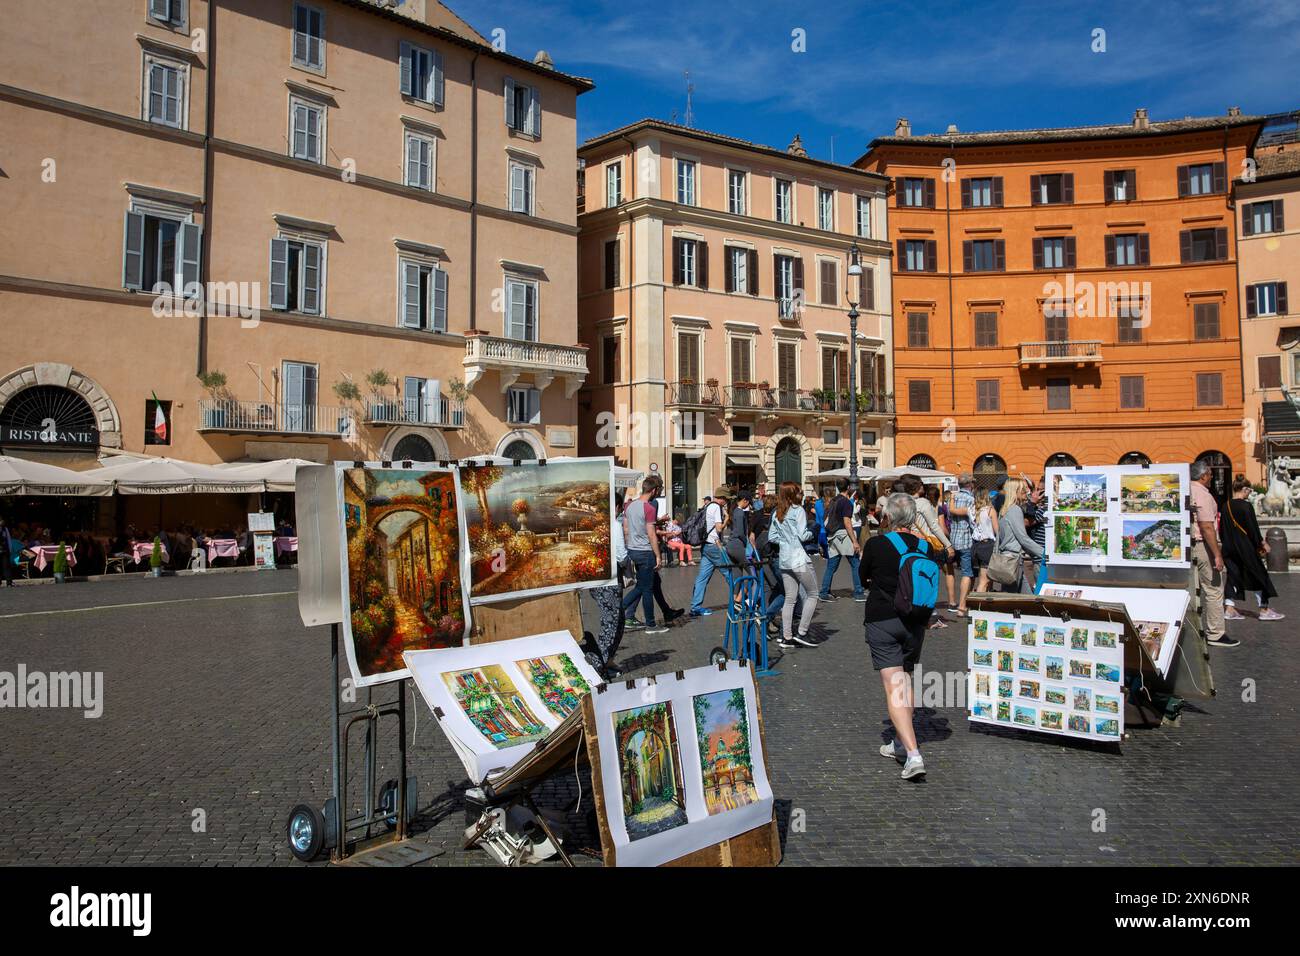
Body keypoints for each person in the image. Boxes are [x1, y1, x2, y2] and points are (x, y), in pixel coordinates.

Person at [859, 493, 932, 780]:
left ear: (887, 516)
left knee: (894, 685)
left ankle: (913, 755)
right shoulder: (925, 546)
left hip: (883, 619)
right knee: (905, 680)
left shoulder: (877, 544)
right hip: (915, 621)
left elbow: (862, 576)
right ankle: (900, 743)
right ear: (913, 517)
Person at [768, 481, 820, 648]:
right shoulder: (798, 511)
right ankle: (802, 632)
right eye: (799, 492)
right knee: (813, 594)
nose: (802, 494)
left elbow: (772, 537)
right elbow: (803, 536)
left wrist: (785, 540)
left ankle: (786, 636)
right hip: (798, 558)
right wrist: (813, 531)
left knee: (790, 598)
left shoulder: (777, 512)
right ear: (792, 495)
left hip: (784, 559)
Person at [1222, 477, 1283, 621]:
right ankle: (1264, 610)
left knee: (1233, 575)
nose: (1250, 493)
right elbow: (1253, 529)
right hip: (1246, 547)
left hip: (1229, 547)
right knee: (1259, 574)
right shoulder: (1246, 506)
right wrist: (1262, 543)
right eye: (1249, 490)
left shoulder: (1226, 505)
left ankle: (1229, 609)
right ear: (1243, 489)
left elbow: (1222, 528)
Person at [1190, 461, 1235, 647]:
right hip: (1202, 545)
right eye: (1209, 474)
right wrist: (1217, 554)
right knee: (1214, 589)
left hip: (1188, 545)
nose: (1211, 477)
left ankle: (1192, 632)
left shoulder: (1186, 489)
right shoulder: (1202, 494)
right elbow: (1207, 526)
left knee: (1192, 590)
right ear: (1203, 476)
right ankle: (1216, 633)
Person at [586, 495, 628, 678]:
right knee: (611, 622)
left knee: (617, 620)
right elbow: (621, 555)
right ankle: (597, 667)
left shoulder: (596, 525)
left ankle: (607, 659)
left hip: (596, 579)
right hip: (610, 580)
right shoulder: (614, 524)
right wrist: (627, 563)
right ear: (617, 506)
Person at [905, 475, 954, 626]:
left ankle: (916, 613)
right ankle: (930, 616)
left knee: (916, 579)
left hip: (910, 543)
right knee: (930, 580)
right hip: (926, 544)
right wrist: (947, 544)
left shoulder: (904, 502)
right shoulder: (923, 503)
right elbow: (934, 526)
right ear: (917, 487)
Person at [621, 478, 669, 635]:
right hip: (645, 551)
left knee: (643, 586)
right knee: (646, 589)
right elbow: (651, 534)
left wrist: (629, 547)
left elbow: (626, 530)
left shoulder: (629, 505)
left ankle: (647, 621)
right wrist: (658, 555)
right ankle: (650, 624)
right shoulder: (648, 508)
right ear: (654, 490)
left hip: (633, 550)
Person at [820, 478, 866, 602]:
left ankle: (824, 592)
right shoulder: (846, 502)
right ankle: (858, 592)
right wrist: (855, 541)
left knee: (831, 565)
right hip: (843, 535)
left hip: (832, 535)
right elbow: (847, 522)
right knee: (855, 563)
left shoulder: (832, 501)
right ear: (849, 487)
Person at [689, 487, 733, 617]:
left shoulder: (708, 506)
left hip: (706, 545)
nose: (727, 502)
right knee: (730, 573)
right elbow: (719, 529)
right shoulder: (716, 508)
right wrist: (726, 518)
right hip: (715, 546)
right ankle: (740, 600)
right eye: (726, 500)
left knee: (702, 578)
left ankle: (695, 607)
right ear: (723, 499)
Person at [993, 478, 1042, 593]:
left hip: (1007, 560)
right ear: (1015, 492)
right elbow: (1023, 538)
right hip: (1012, 561)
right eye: (1023, 490)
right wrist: (1043, 553)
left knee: (1021, 600)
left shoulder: (1005, 509)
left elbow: (1000, 538)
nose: (1027, 493)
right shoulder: (1015, 510)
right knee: (1016, 601)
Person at [948, 474, 976, 615]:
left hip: (953, 539)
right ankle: (962, 606)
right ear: (970, 484)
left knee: (950, 571)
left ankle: (952, 601)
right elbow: (973, 522)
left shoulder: (952, 498)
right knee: (967, 573)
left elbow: (949, 517)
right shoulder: (971, 499)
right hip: (966, 540)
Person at [970, 488, 999, 595]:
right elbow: (997, 531)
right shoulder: (990, 510)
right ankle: (978, 606)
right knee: (984, 581)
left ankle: (985, 602)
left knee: (985, 577)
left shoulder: (972, 510)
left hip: (976, 546)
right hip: (988, 546)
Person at [1022, 476, 1048, 589]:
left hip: (1041, 557)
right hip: (1041, 556)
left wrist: (1032, 503)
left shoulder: (1045, 510)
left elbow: (1026, 523)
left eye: (1040, 490)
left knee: (1041, 588)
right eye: (1037, 489)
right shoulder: (1043, 507)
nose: (1037, 493)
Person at [0, 517, 14, 588]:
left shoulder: (5, 529)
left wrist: (10, 549)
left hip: (4, 550)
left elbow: (8, 539)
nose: (2, 521)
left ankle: (9, 582)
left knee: (6, 566)